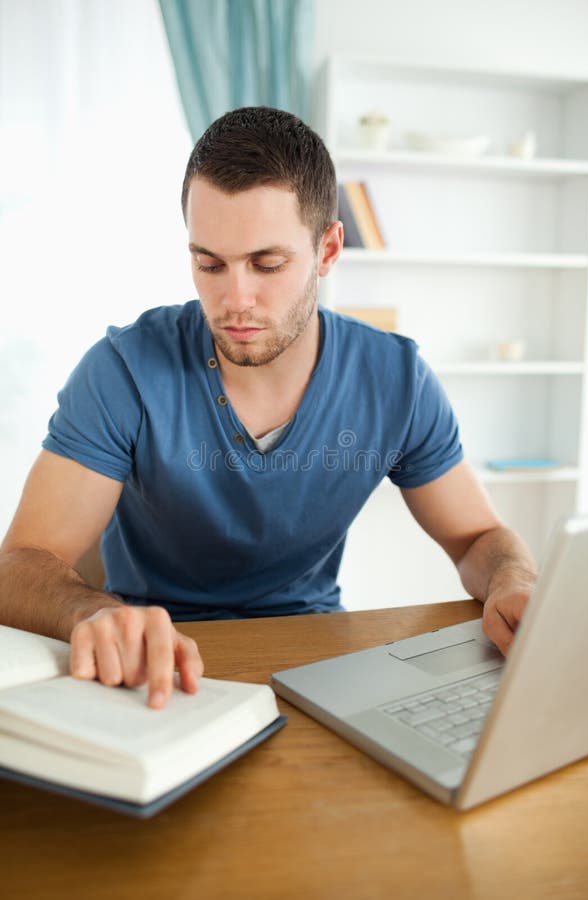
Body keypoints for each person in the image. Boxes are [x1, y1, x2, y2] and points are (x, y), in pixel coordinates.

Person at [0, 107, 536, 709]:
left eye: (267, 264)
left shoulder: (395, 380)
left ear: (328, 250)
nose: (234, 300)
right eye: (209, 263)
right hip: (152, 664)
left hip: (316, 659)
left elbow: (476, 539)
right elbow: (21, 562)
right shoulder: (122, 370)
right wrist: (91, 611)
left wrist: (512, 577)